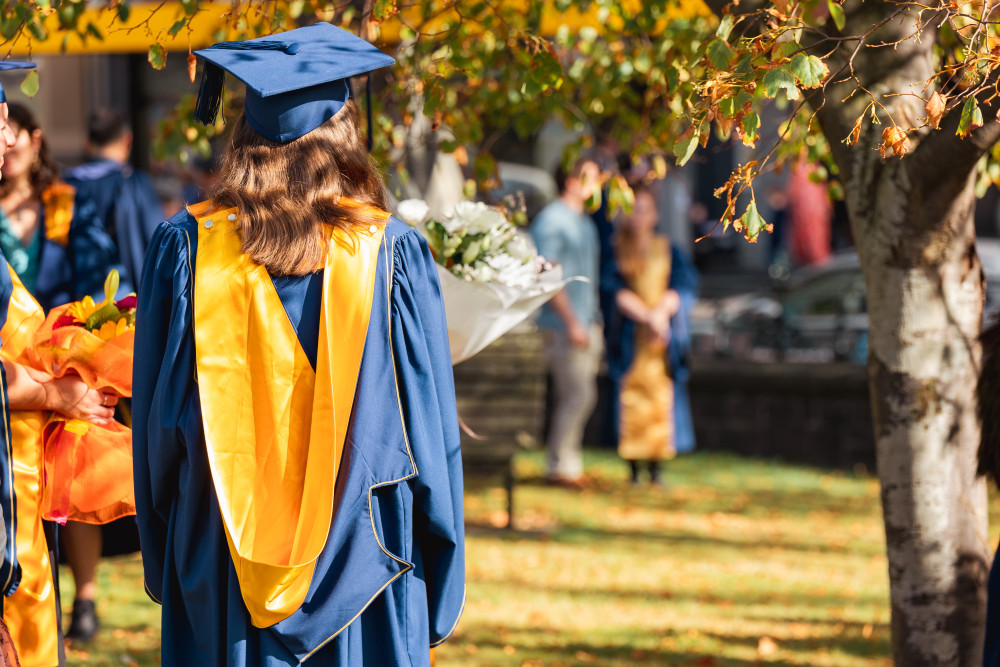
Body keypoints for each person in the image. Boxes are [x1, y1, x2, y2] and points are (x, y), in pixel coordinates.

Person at [132, 24, 465, 666]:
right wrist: (440, 575)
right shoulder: (392, 254)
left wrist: (167, 554)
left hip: (223, 554)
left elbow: (157, 437)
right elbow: (429, 433)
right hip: (368, 559)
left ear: (243, 137)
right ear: (345, 135)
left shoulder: (185, 250)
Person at [0, 63, 118, 667]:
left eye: (14, 126)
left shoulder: (63, 204)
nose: (8, 140)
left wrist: (78, 340)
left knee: (71, 490)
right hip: (25, 386)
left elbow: (97, 276)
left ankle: (89, 595)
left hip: (54, 362)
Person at [612, 186, 699, 485]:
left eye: (644, 209)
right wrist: (647, 317)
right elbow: (613, 291)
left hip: (661, 340)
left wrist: (661, 315)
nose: (638, 216)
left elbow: (683, 287)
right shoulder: (617, 250)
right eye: (632, 209)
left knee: (662, 399)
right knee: (632, 398)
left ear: (655, 215)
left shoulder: (669, 248)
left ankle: (657, 467)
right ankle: (634, 468)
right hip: (632, 338)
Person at [0, 104, 122, 312]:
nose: (7, 143)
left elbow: (95, 270)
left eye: (12, 132)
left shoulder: (65, 201)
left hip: (59, 334)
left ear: (35, 140)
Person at [531, 157, 602, 485]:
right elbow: (548, 274)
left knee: (581, 396)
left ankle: (568, 463)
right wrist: (572, 321)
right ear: (571, 182)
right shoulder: (551, 221)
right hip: (563, 326)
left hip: (588, 322)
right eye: (591, 177)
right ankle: (560, 466)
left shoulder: (584, 222)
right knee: (578, 395)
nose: (597, 183)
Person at [64, 108, 164, 292]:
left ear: (87, 142)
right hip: (129, 304)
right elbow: (159, 245)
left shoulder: (65, 187)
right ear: (127, 141)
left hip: (73, 304)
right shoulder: (136, 184)